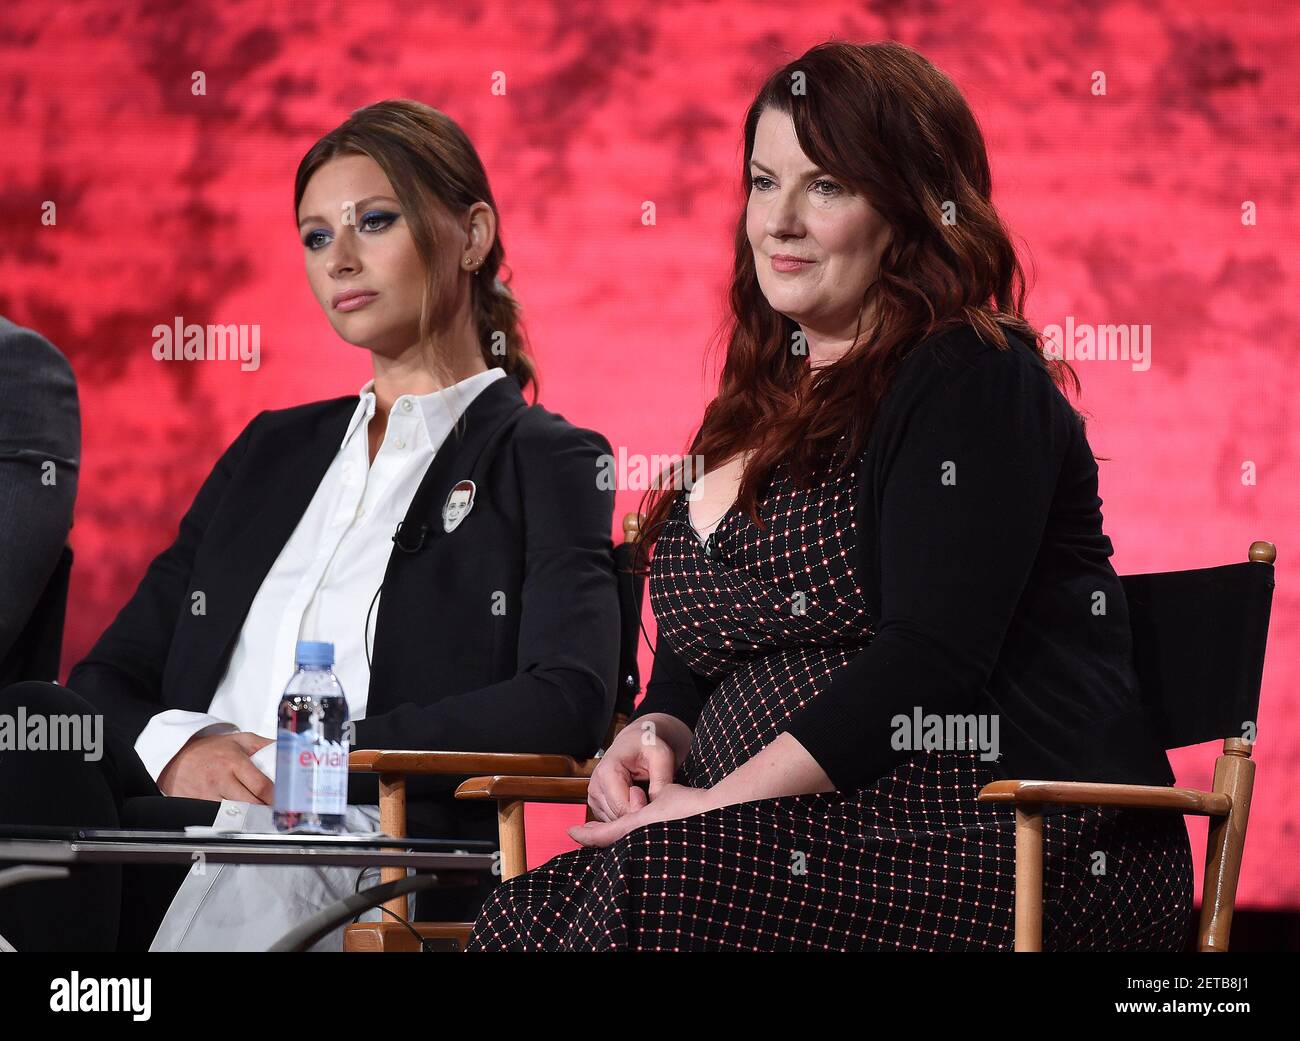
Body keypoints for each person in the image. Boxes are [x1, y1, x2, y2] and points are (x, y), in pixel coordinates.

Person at [467, 41, 1194, 952]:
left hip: (991, 833)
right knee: (519, 912)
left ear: (913, 211)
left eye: (826, 188)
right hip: (773, 839)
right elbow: (700, 657)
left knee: (659, 881)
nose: (781, 222)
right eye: (763, 182)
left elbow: (929, 661)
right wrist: (651, 733)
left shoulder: (972, 375)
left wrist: (706, 809)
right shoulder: (755, 405)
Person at [0, 99, 619, 952]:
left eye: (374, 221)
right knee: (32, 722)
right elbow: (107, 677)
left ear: (473, 235)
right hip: (162, 817)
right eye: (316, 237)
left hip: (362, 844)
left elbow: (568, 698)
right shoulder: (270, 451)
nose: (342, 259)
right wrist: (191, 748)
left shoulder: (544, 458)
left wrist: (316, 754)